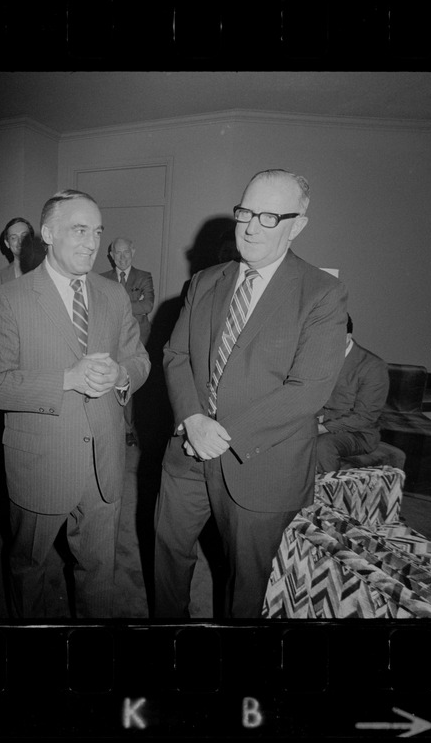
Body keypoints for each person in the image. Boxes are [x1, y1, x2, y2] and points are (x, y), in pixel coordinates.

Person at [154, 169, 347, 619]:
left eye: (269, 216)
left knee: (244, 587)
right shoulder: (205, 281)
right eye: (245, 212)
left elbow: (309, 389)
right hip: (186, 451)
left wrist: (220, 433)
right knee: (167, 559)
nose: (252, 225)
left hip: (262, 464)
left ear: (298, 224)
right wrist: (193, 420)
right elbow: (175, 354)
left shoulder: (323, 292)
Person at [0, 189, 150, 618]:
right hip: (41, 462)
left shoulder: (113, 295)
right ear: (49, 233)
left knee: (99, 571)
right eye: (79, 230)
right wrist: (65, 380)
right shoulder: (10, 297)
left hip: (105, 462)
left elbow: (139, 358)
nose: (91, 242)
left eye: (97, 231)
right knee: (29, 568)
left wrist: (122, 375)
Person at [315, 314, 389, 473]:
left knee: (322, 445)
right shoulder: (319, 358)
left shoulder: (373, 366)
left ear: (347, 337)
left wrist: (322, 427)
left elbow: (365, 416)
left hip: (359, 433)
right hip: (320, 423)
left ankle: (331, 495)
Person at [101, 237, 155, 446]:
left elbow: (148, 305)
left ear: (133, 252)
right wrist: (134, 304)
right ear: (111, 255)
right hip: (111, 337)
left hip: (139, 338)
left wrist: (117, 305)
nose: (122, 257)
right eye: (118, 253)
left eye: (126, 253)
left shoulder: (144, 277)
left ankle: (134, 428)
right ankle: (123, 429)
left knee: (137, 384)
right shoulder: (102, 279)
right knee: (116, 381)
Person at [0, 217, 35, 304]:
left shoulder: (49, 270)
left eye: (24, 236)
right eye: (13, 238)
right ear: (7, 243)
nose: (20, 242)